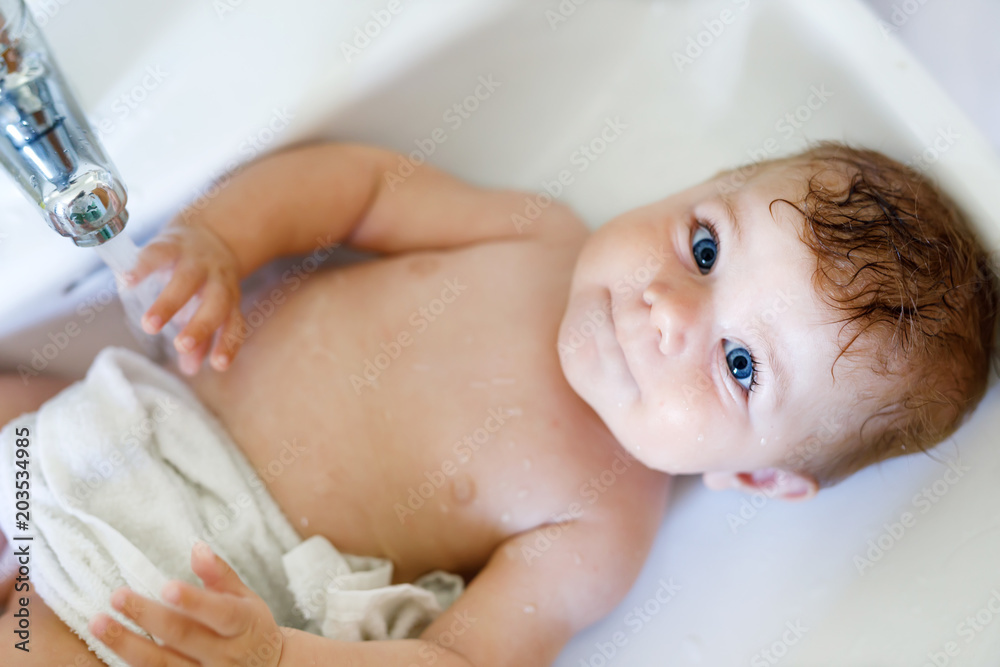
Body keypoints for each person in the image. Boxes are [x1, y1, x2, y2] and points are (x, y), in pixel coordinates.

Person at [0, 140, 996, 666]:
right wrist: (221, 240)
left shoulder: (603, 522)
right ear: (698, 187)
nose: (666, 309)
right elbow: (358, 187)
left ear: (752, 474)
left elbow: (465, 659)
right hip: (120, 421)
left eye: (739, 364)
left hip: (190, 595)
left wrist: (274, 655)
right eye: (704, 247)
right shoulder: (535, 236)